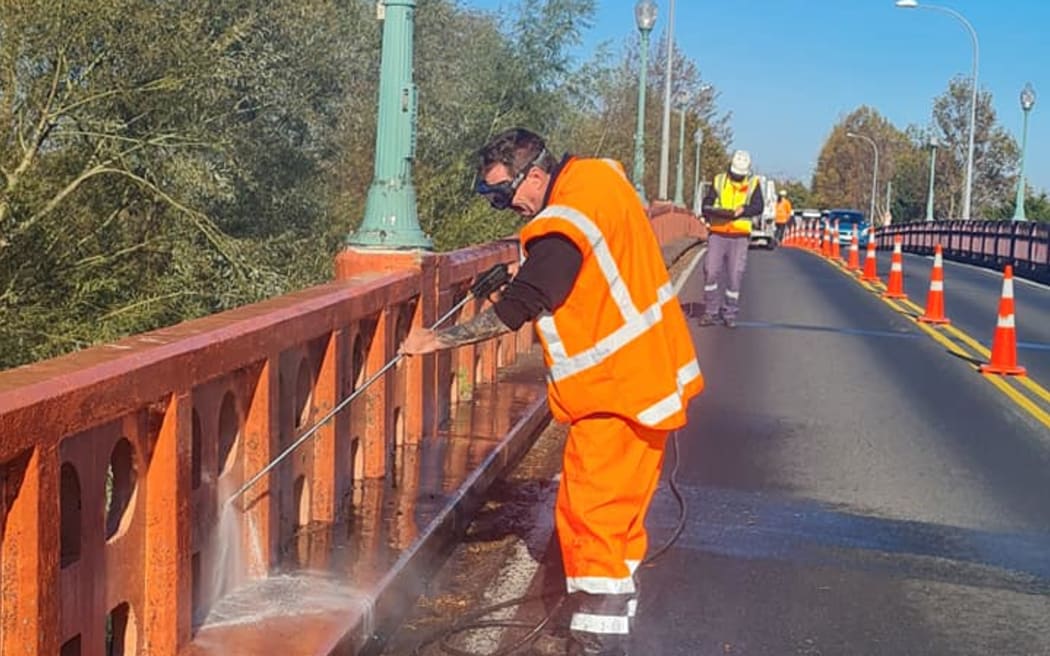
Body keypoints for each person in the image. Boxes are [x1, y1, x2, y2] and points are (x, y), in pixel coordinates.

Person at [400, 128, 703, 656]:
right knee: (623, 522)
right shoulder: (597, 179)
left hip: (615, 395)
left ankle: (595, 642)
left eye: (504, 194)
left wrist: (434, 341)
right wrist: (523, 268)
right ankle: (615, 624)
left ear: (535, 175)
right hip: (652, 379)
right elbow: (578, 271)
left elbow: (519, 310)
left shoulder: (563, 224)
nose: (505, 206)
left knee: (592, 520)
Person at [698, 150, 764, 329]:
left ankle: (729, 312)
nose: (736, 177)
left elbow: (759, 206)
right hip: (718, 232)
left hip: (739, 236)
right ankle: (710, 310)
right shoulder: (719, 180)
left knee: (735, 275)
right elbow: (708, 201)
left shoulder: (753, 183)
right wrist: (709, 210)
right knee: (710, 271)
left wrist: (744, 209)